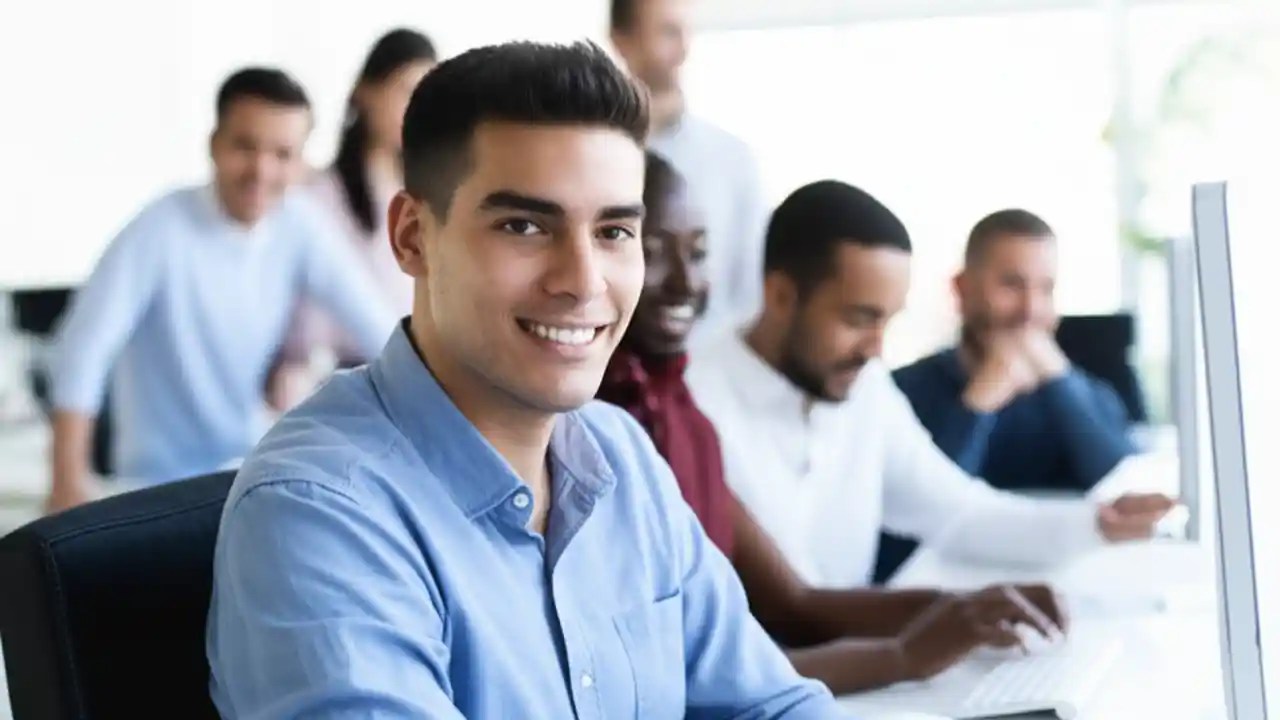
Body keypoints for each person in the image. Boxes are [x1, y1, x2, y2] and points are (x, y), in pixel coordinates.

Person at [206, 41, 848, 717]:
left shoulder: (623, 458)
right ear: (412, 237)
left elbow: (773, 706)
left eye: (614, 232)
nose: (582, 282)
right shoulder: (317, 512)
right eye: (525, 225)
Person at [598, 152, 1071, 694]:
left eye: (699, 253)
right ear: (778, 295)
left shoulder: (678, 415)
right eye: (649, 250)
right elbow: (721, 657)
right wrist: (903, 655)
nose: (684, 283)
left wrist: (968, 612)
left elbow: (793, 604)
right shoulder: (650, 415)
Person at [685, 180, 1174, 592]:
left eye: (888, 322)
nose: (876, 349)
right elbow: (796, 609)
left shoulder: (864, 386)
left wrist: (1097, 523)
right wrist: (948, 623)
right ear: (780, 295)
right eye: (860, 318)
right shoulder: (695, 405)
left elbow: (958, 513)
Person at [45, 68, 396, 512]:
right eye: (245, 146)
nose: (261, 170)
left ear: (301, 161)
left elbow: (381, 330)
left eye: (282, 154)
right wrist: (66, 481)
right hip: (153, 486)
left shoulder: (301, 224)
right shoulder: (160, 228)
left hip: (245, 473)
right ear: (214, 144)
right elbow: (83, 351)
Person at [883, 210, 1138, 578]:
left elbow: (1122, 484)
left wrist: (1059, 381)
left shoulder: (1083, 393)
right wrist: (977, 404)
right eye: (1011, 285)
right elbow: (926, 506)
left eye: (1045, 289)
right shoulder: (902, 393)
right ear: (961, 289)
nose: (1030, 310)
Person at [271, 29, 437, 406]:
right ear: (366, 91)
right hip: (337, 378)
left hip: (413, 371)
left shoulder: (427, 193)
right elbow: (307, 325)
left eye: (424, 94)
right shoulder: (318, 195)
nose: (413, 107)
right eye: (403, 89)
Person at [611, 0, 768, 344]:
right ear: (621, 38)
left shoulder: (731, 160)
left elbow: (749, 295)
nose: (683, 49)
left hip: (699, 371)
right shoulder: (590, 156)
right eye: (668, 32)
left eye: (686, 32)